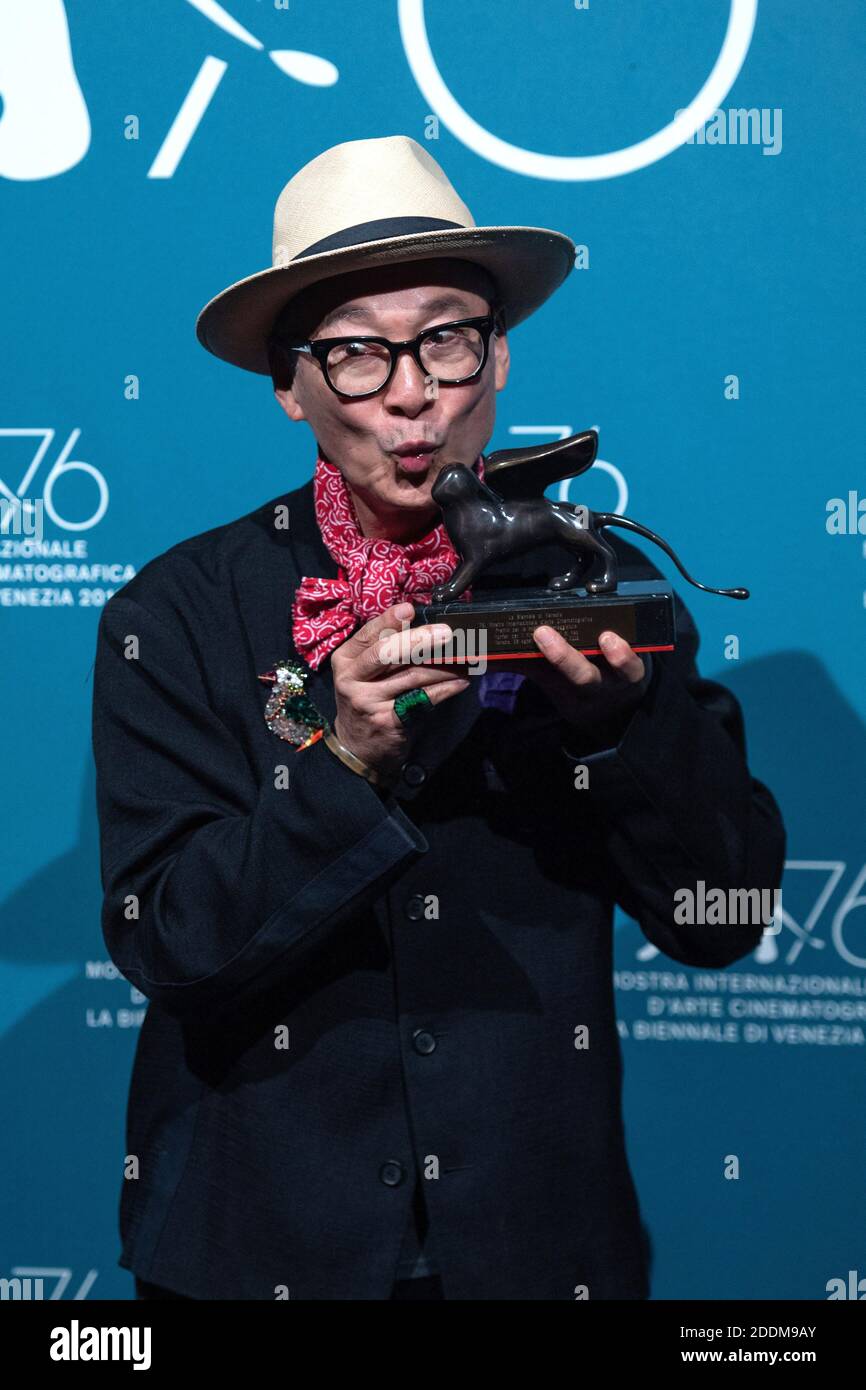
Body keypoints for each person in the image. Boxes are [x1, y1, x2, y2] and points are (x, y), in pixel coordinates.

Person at [92, 134, 786, 1301]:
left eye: (445, 340)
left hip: (531, 1246)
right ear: (290, 384)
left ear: (499, 358)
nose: (411, 394)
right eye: (357, 355)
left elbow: (722, 912)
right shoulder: (176, 612)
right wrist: (343, 762)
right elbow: (167, 945)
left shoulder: (590, 582)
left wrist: (617, 734)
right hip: (251, 1244)